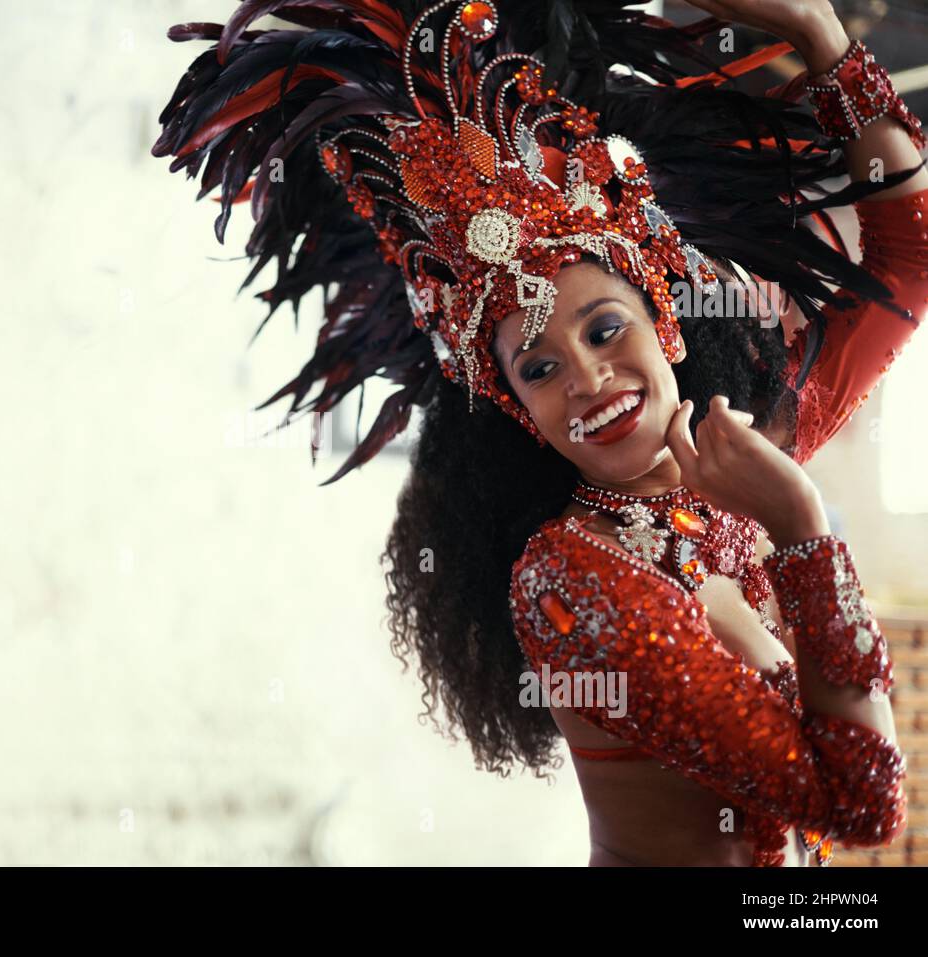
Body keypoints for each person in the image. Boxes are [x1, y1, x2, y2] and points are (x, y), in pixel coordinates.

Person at [152, 0, 927, 865]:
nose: (588, 381)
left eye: (604, 330)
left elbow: (911, 260)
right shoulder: (568, 578)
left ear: (667, 319)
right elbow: (861, 804)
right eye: (540, 369)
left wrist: (822, 42)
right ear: (515, 403)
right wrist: (800, 526)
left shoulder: (744, 457)